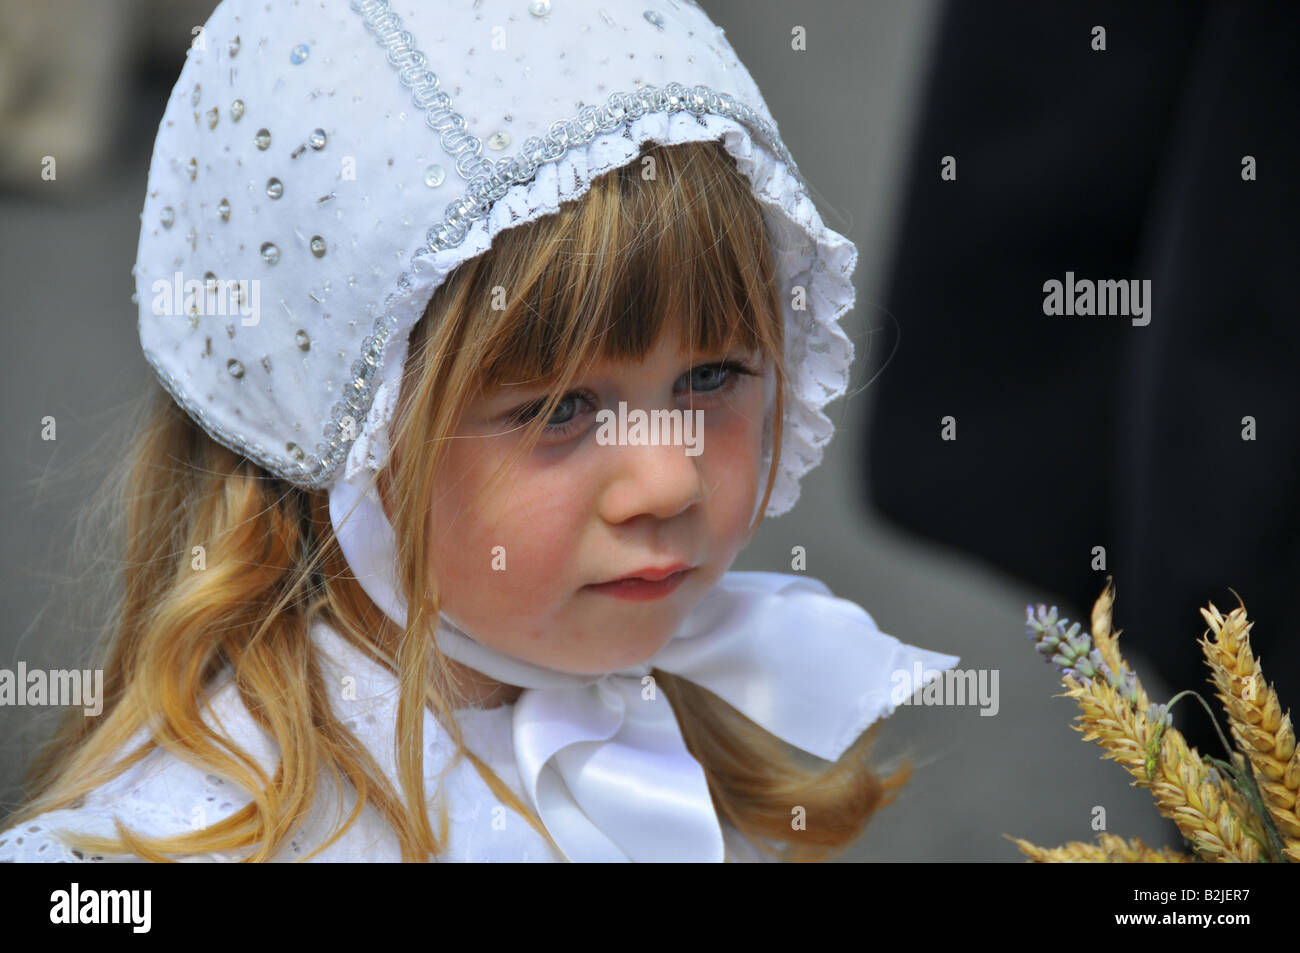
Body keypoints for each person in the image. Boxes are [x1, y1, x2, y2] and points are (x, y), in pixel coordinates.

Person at [0, 0, 957, 863]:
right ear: (342, 433)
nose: (670, 480)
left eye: (712, 375)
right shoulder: (175, 845)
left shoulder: (667, 727)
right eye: (559, 409)